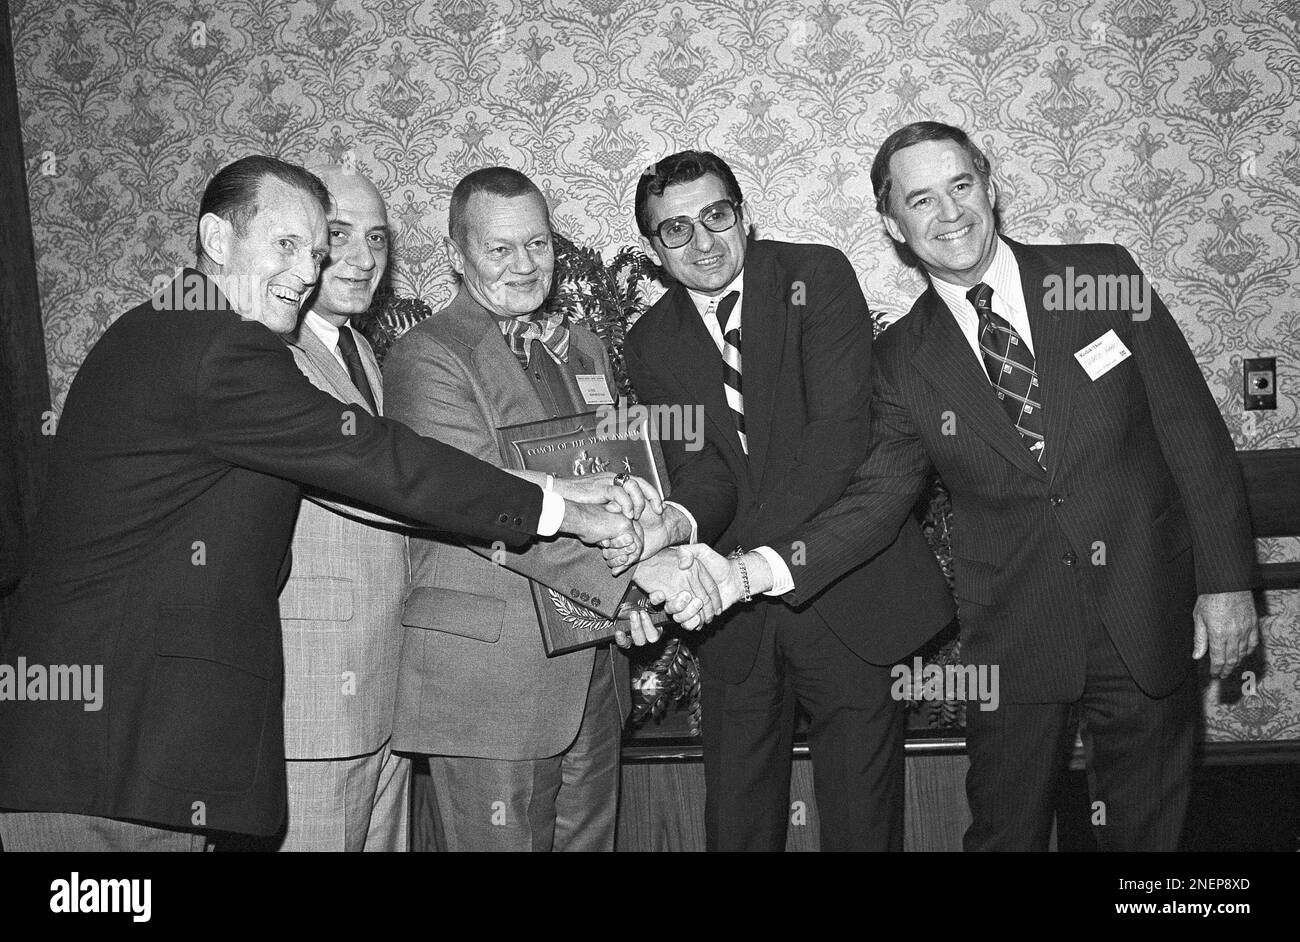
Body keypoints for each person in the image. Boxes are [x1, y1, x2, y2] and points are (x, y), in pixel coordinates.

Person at [0, 155, 640, 852]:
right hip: (106, 753)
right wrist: (561, 508)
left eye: (315, 250)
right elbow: (379, 463)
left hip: (139, 749)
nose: (307, 271)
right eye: (285, 245)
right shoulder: (219, 345)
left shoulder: (180, 330)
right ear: (217, 241)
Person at [713, 121, 1259, 851]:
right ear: (892, 225)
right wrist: (760, 568)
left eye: (961, 186)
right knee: (1005, 832)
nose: (950, 214)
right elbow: (877, 498)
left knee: (1148, 837)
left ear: (990, 187)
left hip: (1145, 607)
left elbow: (1195, 437)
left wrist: (1226, 585)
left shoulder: (1099, 274)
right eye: (921, 200)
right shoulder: (902, 357)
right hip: (1016, 637)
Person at [619, 150, 954, 851]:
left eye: (716, 216)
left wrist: (726, 568)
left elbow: (836, 445)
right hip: (733, 630)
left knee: (862, 823)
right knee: (737, 822)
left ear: (744, 215)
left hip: (844, 593)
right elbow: (702, 473)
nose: (703, 242)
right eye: (675, 229)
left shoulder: (813, 276)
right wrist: (678, 522)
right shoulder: (650, 343)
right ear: (653, 251)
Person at [383, 167, 708, 851]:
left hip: (592, 666)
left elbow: (619, 471)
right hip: (494, 680)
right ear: (456, 255)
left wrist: (650, 539)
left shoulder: (582, 347)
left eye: (538, 244)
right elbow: (473, 505)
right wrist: (629, 584)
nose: (526, 265)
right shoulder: (429, 357)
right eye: (500, 250)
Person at [274, 165, 411, 851]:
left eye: (378, 239)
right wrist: (551, 505)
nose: (363, 259)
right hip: (317, 691)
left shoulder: (358, 347)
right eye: (340, 236)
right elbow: (384, 484)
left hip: (386, 686)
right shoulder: (272, 350)